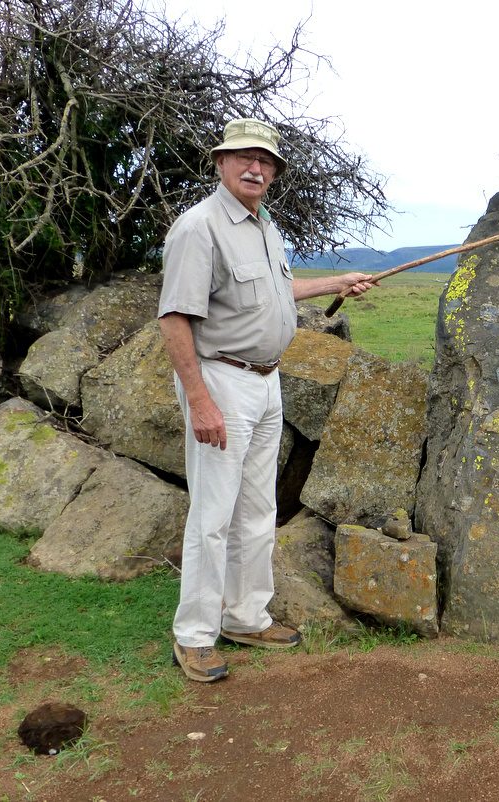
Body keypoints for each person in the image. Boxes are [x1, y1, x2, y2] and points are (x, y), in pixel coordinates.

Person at [158, 118, 373, 682]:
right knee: (212, 513)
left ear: (274, 172)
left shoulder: (263, 225)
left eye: (266, 161)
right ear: (221, 163)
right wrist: (201, 401)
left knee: (257, 508)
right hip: (222, 382)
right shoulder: (198, 228)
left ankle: (247, 616)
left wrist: (332, 284)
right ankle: (195, 636)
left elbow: (274, 289)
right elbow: (175, 318)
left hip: (266, 381)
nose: (256, 168)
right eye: (245, 158)